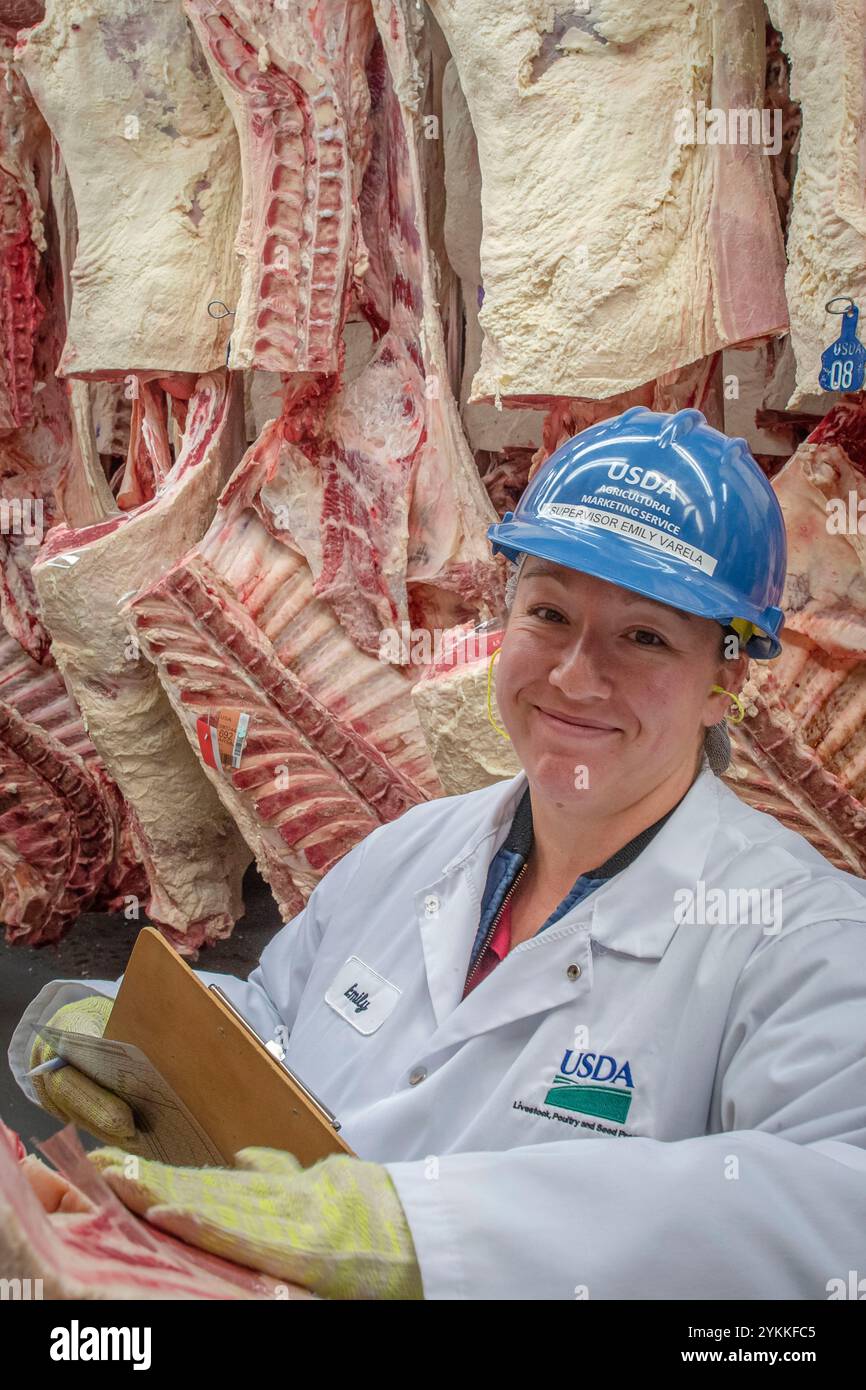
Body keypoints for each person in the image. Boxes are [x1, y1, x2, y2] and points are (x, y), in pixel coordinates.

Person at [9, 407, 866, 1301]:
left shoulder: (804, 936)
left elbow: (841, 1210)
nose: (575, 675)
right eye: (549, 613)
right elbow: (274, 1021)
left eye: (644, 636)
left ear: (726, 679)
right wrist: (106, 1024)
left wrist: (420, 1233)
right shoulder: (412, 852)